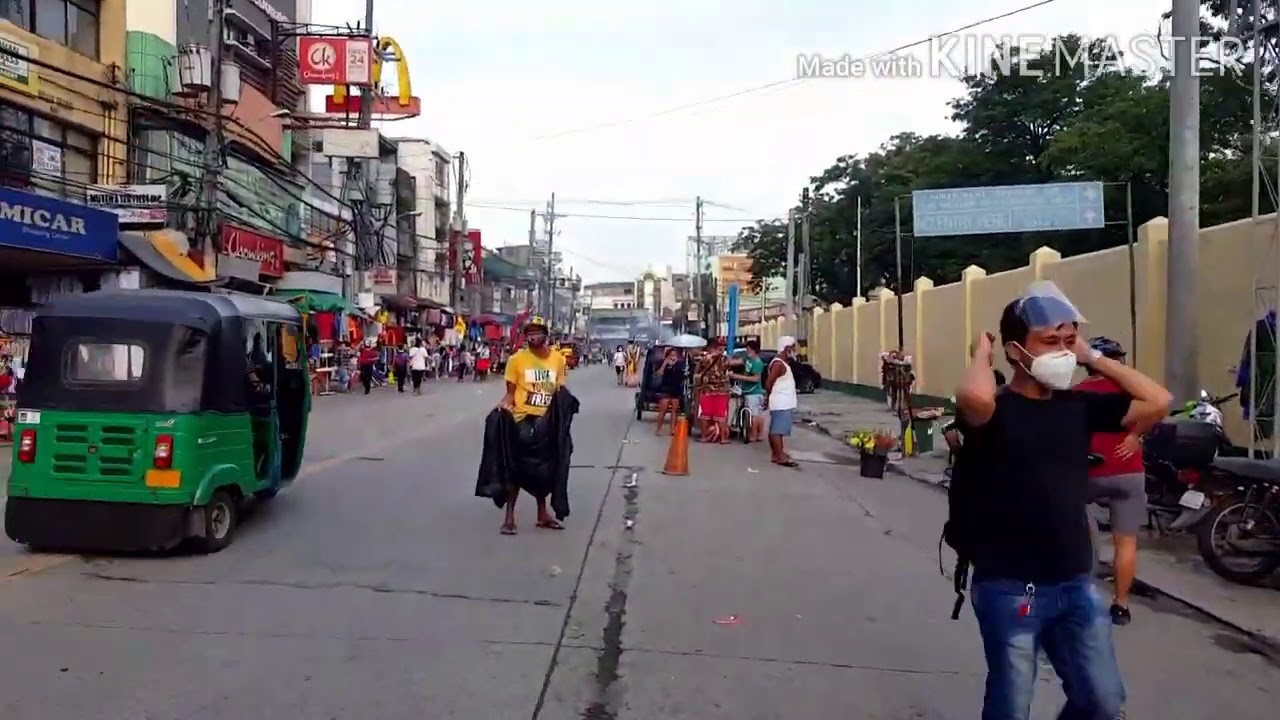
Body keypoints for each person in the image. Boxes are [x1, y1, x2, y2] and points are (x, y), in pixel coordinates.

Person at [953, 284, 1170, 720]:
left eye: (1069, 341)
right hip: (1009, 587)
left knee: (1103, 703)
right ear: (1017, 351)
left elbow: (1158, 401)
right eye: (1051, 342)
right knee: (1010, 707)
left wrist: (1093, 358)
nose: (1064, 352)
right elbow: (973, 397)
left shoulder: (1080, 406)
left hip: (1074, 583)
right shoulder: (995, 411)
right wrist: (982, 353)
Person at [1075, 336, 1153, 627]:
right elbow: (1159, 405)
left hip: (1089, 472)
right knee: (1127, 543)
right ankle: (1121, 605)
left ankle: (1085, 595)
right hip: (1128, 472)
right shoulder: (1134, 393)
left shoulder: (1076, 393)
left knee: (1083, 535)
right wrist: (1136, 435)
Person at [498, 316, 569, 535]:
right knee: (515, 469)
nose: (533, 336)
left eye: (537, 332)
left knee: (545, 471)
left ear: (546, 335)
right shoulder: (517, 360)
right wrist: (504, 406)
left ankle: (542, 514)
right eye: (529, 333)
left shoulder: (557, 359)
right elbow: (510, 393)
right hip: (522, 420)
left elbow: (559, 391)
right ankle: (509, 517)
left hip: (547, 424)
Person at [764, 336, 799, 466]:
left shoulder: (783, 363)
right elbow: (769, 383)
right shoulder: (778, 364)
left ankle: (777, 453)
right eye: (793, 348)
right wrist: (768, 396)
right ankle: (780, 457)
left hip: (783, 402)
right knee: (777, 431)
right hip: (781, 403)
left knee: (777, 429)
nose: (794, 351)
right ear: (787, 348)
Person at [694, 338, 731, 443]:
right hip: (722, 390)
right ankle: (723, 438)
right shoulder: (724, 358)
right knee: (721, 415)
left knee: (705, 414)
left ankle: (704, 437)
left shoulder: (704, 358)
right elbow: (728, 368)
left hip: (706, 389)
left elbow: (697, 371)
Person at [732, 340, 767, 442]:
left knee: (754, 415)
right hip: (746, 390)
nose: (746, 351)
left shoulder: (757, 363)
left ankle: (754, 434)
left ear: (753, 350)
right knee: (756, 414)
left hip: (754, 392)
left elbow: (756, 379)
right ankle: (758, 434)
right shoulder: (748, 359)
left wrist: (738, 376)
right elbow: (736, 362)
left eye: (748, 349)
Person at [653, 347, 685, 435]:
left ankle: (672, 429)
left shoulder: (680, 364)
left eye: (675, 355)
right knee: (662, 410)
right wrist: (665, 363)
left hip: (676, 389)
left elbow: (683, 374)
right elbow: (659, 373)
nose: (673, 357)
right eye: (671, 355)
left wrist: (675, 365)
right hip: (665, 389)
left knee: (675, 411)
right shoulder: (662, 363)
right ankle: (658, 429)